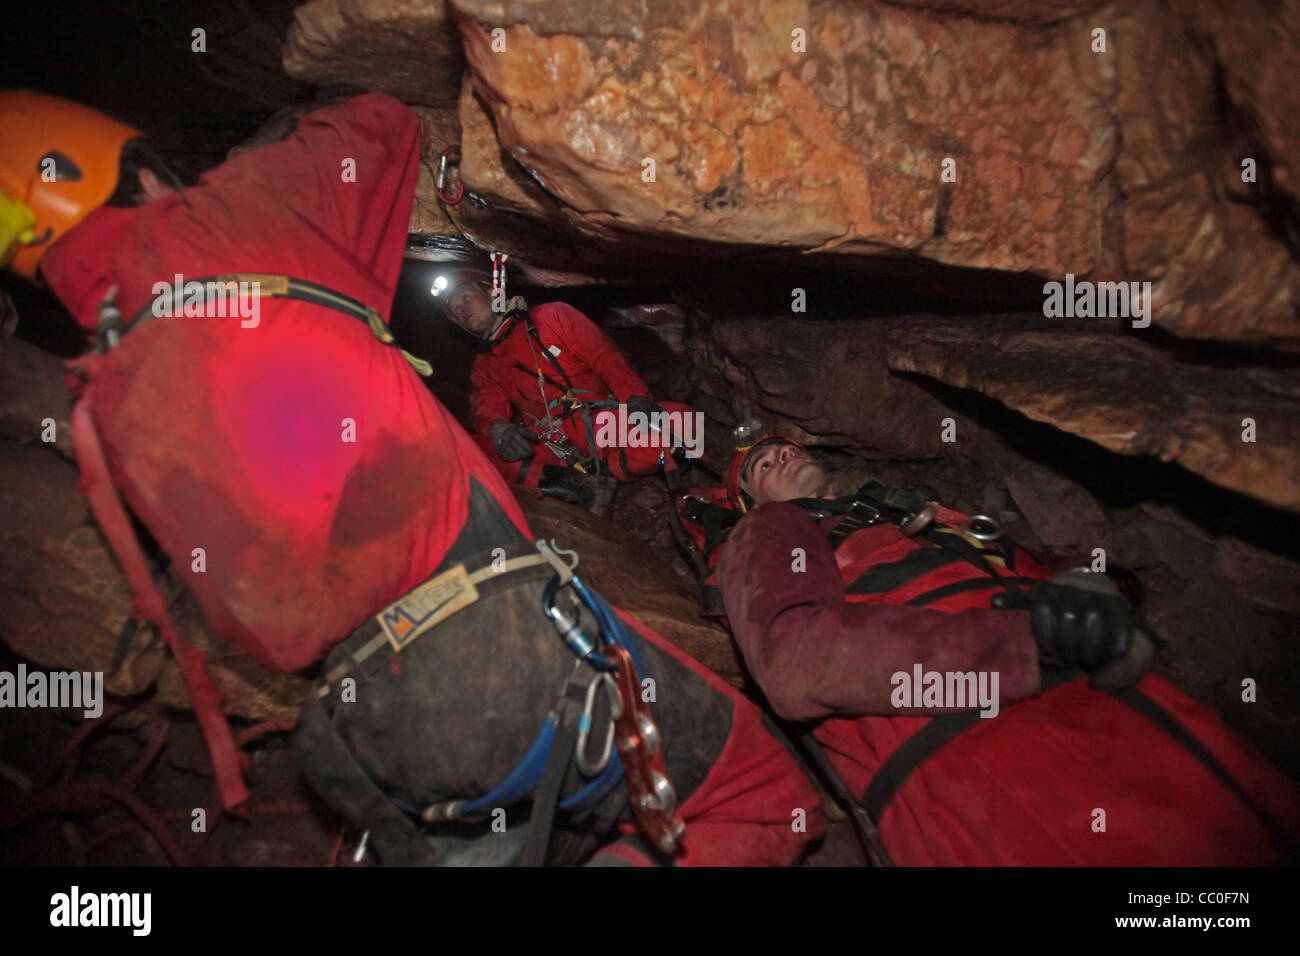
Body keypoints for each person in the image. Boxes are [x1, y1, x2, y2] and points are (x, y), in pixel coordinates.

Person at [0, 90, 824, 866]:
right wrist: (537, 461)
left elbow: (620, 382)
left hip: (376, 723)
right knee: (755, 795)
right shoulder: (474, 370)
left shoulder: (107, 407)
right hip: (490, 628)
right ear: (141, 175)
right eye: (457, 310)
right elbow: (382, 128)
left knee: (631, 436)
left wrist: (629, 433)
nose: (466, 314)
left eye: (471, 301)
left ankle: (698, 461)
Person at [711, 435, 1299, 865]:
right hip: (984, 751)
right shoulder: (768, 532)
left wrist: (1094, 592)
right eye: (762, 465)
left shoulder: (912, 512)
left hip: (1130, 704)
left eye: (786, 448)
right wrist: (1029, 644)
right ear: (746, 504)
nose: (782, 457)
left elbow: (1036, 571)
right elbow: (797, 661)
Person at [439, 269, 694, 511]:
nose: (462, 309)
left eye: (465, 297)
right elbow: (484, 404)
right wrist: (498, 428)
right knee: (467, 450)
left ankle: (604, 474)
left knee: (684, 423)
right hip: (549, 440)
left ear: (492, 293)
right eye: (456, 311)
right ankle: (576, 486)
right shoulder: (487, 365)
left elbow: (604, 356)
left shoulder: (552, 316)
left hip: (599, 424)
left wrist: (635, 397)